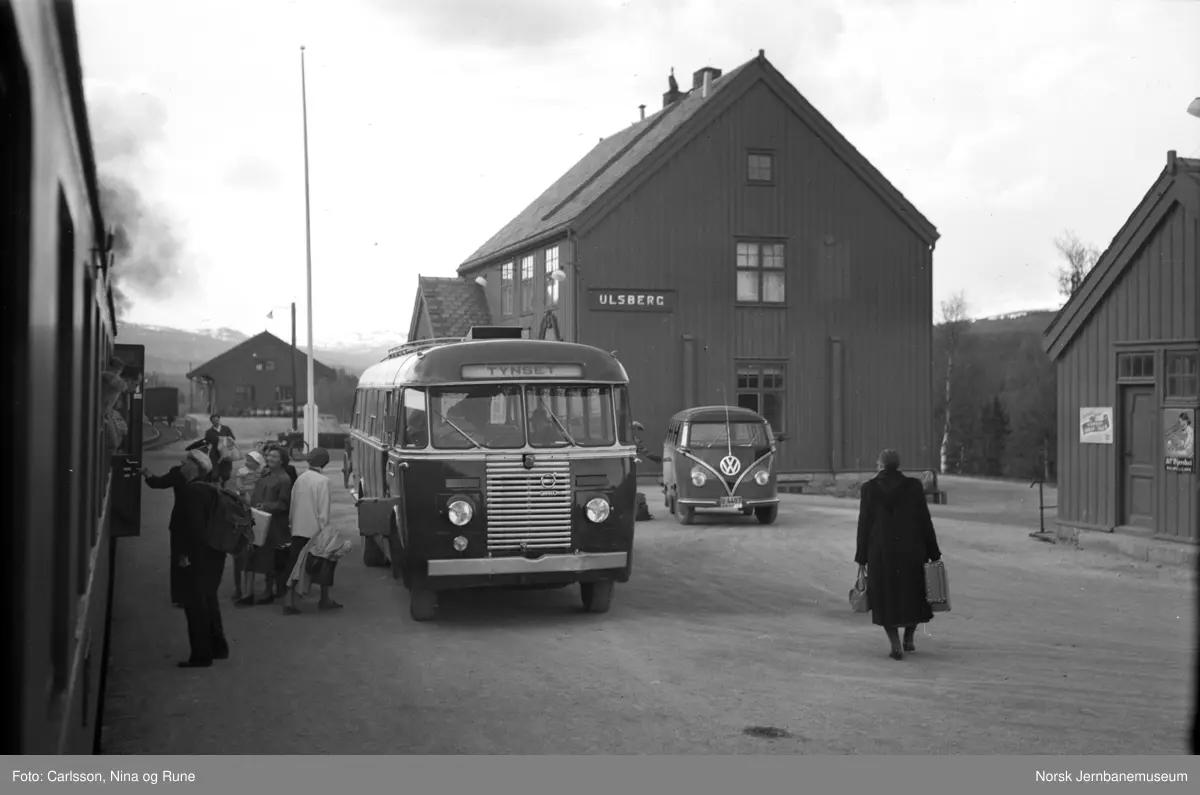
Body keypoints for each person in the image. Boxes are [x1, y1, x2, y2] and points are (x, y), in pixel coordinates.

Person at [854, 448, 943, 660]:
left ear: (881, 465)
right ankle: (909, 637)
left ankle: (895, 644)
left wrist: (861, 557)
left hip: (881, 552)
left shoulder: (869, 489)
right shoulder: (913, 486)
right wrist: (934, 552)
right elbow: (924, 520)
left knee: (886, 599)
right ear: (898, 465)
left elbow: (864, 525)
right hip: (912, 549)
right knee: (914, 594)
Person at [173, 449, 230, 668]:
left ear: (195, 466)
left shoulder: (192, 492)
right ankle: (219, 647)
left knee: (195, 605)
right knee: (210, 600)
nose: (181, 465)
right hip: (215, 554)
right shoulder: (211, 489)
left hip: (198, 557)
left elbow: (193, 528)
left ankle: (201, 655)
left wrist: (185, 556)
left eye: (185, 462)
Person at [283, 448, 344, 614]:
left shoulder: (300, 479)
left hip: (297, 528)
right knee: (328, 562)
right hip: (315, 530)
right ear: (325, 463)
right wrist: (325, 533)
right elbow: (323, 511)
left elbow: (292, 506)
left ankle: (289, 601)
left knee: (294, 564)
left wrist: (292, 525)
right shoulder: (323, 481)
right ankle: (324, 598)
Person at [142, 452, 201, 607]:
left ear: (195, 465)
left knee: (187, 557)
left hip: (188, 523)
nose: (183, 462)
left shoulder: (196, 477)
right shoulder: (179, 473)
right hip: (183, 524)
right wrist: (147, 474)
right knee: (181, 557)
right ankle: (182, 595)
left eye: (188, 460)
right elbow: (158, 483)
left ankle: (186, 594)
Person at [245, 447, 293, 604]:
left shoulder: (284, 479)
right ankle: (249, 591)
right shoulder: (265, 473)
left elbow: (284, 504)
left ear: (282, 461)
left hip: (274, 524)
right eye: (269, 455)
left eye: (274, 456)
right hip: (257, 519)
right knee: (256, 555)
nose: (270, 458)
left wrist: (265, 506)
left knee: (271, 558)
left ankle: (269, 591)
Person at [230, 451, 266, 603]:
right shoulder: (242, 473)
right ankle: (241, 587)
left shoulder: (260, 474)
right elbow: (239, 485)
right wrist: (243, 492)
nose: (247, 462)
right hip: (245, 506)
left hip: (255, 509)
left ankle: (245, 588)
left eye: (251, 460)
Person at [186, 414, 238, 487]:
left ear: (219, 420)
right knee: (215, 470)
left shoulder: (226, 429)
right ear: (211, 422)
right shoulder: (209, 432)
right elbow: (207, 442)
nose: (216, 422)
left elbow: (232, 438)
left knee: (226, 470)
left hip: (226, 452)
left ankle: (223, 482)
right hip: (215, 453)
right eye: (214, 421)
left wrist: (224, 441)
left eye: (217, 420)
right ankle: (216, 484)